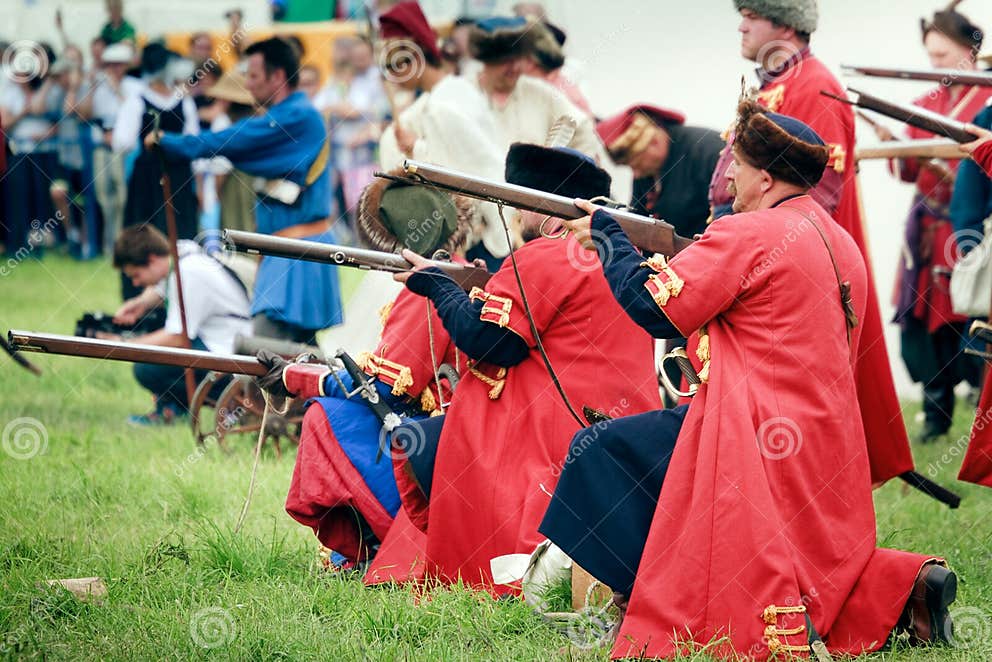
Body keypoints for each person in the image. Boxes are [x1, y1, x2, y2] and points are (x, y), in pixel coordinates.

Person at [545, 100, 953, 658]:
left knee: (600, 452)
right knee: (816, 565)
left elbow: (653, 307)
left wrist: (609, 238)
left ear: (764, 177)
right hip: (823, 443)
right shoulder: (841, 241)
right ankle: (906, 588)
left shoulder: (748, 232)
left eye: (736, 165)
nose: (727, 176)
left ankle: (640, 595)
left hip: (748, 435)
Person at [383, 142, 661, 595]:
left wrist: (439, 287)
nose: (514, 213)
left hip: (548, 436)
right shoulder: (623, 255)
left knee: (441, 433)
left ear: (546, 206)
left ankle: (493, 576)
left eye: (522, 201)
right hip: (618, 429)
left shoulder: (547, 255)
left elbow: (490, 343)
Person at [709, 0, 914, 486]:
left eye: (751, 16)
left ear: (785, 23)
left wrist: (749, 252)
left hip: (787, 268)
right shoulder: (776, 85)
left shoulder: (814, 85)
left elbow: (815, 195)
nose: (741, 27)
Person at [254, 178, 472, 572]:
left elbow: (385, 390)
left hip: (440, 441)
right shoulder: (465, 272)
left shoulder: (426, 290)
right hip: (458, 427)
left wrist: (297, 378)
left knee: (326, 416)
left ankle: (371, 539)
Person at [148, 37, 344, 345]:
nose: (248, 85)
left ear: (277, 77)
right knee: (297, 355)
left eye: (253, 76)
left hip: (297, 251)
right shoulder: (291, 114)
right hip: (288, 249)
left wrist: (170, 143)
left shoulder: (297, 115)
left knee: (264, 353)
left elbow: (233, 141)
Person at [879, 6, 990, 442]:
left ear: (969, 51)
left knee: (974, 316)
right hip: (927, 229)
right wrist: (898, 149)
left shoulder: (986, 101)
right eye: (931, 57)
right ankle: (934, 415)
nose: (935, 64)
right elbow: (907, 172)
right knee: (923, 326)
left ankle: (980, 412)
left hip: (971, 225)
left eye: (943, 55)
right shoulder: (925, 103)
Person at [376, 1, 508, 267]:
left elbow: (466, 172)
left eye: (394, 64)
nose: (391, 76)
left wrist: (416, 148)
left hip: (485, 237)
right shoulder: (454, 90)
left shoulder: (441, 106)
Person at [110, 224, 251, 424]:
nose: (135, 283)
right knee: (155, 339)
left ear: (152, 260)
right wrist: (141, 303)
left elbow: (177, 338)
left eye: (136, 275)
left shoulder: (187, 272)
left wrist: (124, 344)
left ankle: (186, 407)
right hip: (223, 339)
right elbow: (163, 286)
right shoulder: (182, 254)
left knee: (146, 368)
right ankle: (172, 406)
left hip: (228, 353)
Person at [113, 43, 199, 298]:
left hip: (176, 179)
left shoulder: (182, 101)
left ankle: (181, 295)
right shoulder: (138, 100)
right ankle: (142, 296)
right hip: (150, 181)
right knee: (145, 236)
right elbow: (123, 141)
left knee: (180, 236)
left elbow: (193, 140)